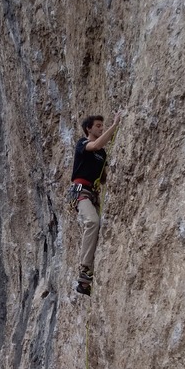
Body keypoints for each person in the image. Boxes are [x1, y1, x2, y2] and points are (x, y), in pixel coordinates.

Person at [69, 112, 121, 295]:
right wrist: (114, 126)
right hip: (79, 191)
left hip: (92, 192)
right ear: (88, 129)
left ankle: (85, 281)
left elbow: (104, 176)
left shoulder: (102, 154)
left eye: (102, 125)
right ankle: (84, 270)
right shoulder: (82, 144)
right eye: (98, 126)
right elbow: (96, 144)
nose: (100, 128)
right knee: (92, 222)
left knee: (98, 227)